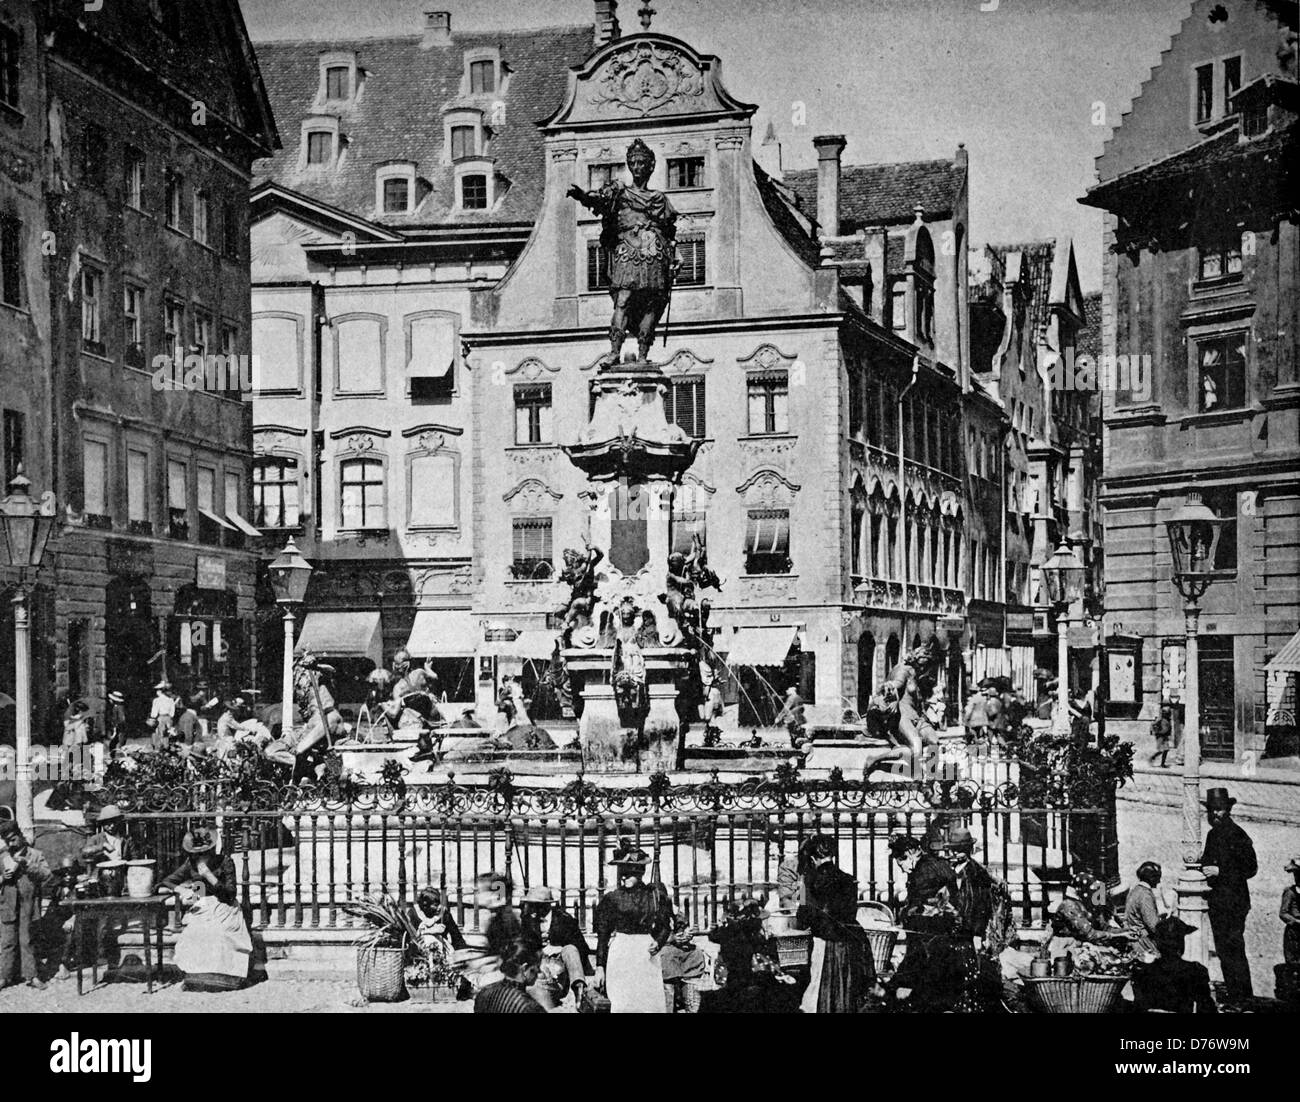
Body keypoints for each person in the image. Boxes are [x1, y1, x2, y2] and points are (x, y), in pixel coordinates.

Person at [566, 138, 678, 365]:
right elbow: (599, 201)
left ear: (651, 166)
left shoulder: (659, 199)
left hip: (654, 251)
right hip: (627, 249)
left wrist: (678, 255)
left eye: (642, 163)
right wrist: (583, 197)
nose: (637, 167)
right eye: (633, 163)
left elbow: (670, 233)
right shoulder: (620, 192)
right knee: (623, 300)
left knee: (652, 303)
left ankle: (644, 355)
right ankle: (615, 351)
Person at [158, 828, 251, 991]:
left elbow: (230, 893)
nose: (201, 857)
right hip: (203, 906)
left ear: (212, 850)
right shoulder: (191, 863)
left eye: (205, 853)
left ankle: (225, 978)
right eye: (197, 854)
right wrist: (181, 889)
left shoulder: (225, 861)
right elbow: (167, 881)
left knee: (218, 934)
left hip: (224, 906)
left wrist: (209, 876)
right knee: (193, 934)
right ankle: (196, 978)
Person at [796, 834, 875, 1013]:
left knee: (820, 991)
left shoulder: (808, 881)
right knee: (845, 991)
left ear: (813, 858)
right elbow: (849, 912)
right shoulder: (848, 879)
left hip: (824, 943)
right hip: (849, 943)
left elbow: (803, 917)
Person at [592, 842, 673, 1013]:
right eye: (622, 872)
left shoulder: (655, 896)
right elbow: (603, 933)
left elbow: (665, 926)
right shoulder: (613, 898)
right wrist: (600, 966)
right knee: (622, 1001)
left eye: (629, 873)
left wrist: (658, 943)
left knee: (648, 1003)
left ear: (640, 872)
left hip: (646, 955)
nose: (624, 877)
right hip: (621, 952)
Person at [1199, 787, 1257, 1003]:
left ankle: (1243, 998)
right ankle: (1235, 997)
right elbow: (1206, 859)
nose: (1215, 814)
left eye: (1220, 810)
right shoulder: (1212, 834)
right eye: (1212, 810)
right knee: (1224, 952)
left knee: (1234, 950)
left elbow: (1250, 868)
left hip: (1234, 902)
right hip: (1218, 903)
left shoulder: (1238, 834)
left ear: (1228, 810)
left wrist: (1220, 871)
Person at [519, 885, 591, 1009]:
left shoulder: (565, 920)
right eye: (531, 905)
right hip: (538, 967)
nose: (532, 909)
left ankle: (579, 990)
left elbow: (582, 947)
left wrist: (559, 948)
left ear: (547, 905)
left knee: (571, 949)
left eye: (536, 905)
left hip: (560, 967)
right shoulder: (527, 920)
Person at [0, 821, 51, 990]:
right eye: (7, 841)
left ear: (20, 836)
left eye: (13, 839)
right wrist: (3, 878)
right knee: (8, 941)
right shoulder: (2, 856)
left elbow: (46, 874)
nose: (11, 844)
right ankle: (5, 977)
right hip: (8, 904)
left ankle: (32, 976)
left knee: (27, 939)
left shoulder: (35, 855)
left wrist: (26, 864)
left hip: (28, 905)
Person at [1132, 916, 1217, 1014]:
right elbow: (1206, 1008)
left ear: (1158, 943)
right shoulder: (1194, 971)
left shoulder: (1143, 971)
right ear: (1181, 944)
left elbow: (1138, 1007)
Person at [1049, 870, 1131, 957]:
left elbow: (1103, 926)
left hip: (1084, 945)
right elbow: (1090, 934)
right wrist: (1120, 934)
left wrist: (1126, 931)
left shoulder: (1089, 903)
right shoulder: (1069, 905)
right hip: (1066, 949)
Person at [473, 938, 546, 1014]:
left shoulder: (483, 993)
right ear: (524, 969)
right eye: (537, 966)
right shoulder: (529, 1007)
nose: (539, 971)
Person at [659, 915, 708, 1013]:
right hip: (660, 950)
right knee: (668, 991)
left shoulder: (667, 908)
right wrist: (671, 938)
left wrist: (684, 934)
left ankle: (689, 1000)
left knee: (695, 953)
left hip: (675, 950)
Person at [1123, 861, 1165, 961]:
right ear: (1151, 878)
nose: (1159, 881)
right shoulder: (1145, 895)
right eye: (1158, 877)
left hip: (1135, 941)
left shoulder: (1136, 890)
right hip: (1144, 944)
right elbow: (1154, 926)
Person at [406, 886, 466, 955]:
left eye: (439, 903)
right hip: (420, 954)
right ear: (425, 905)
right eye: (435, 905)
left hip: (442, 952)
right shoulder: (413, 913)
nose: (439, 907)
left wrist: (461, 953)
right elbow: (409, 938)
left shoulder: (444, 914)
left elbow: (456, 937)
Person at [1282, 857, 1300, 964]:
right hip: (1294, 933)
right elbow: (1283, 913)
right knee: (1294, 965)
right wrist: (1296, 921)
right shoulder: (1290, 892)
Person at [149, 680, 176, 750]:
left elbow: (154, 714)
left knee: (160, 735)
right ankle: (167, 748)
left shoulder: (156, 700)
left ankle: (160, 749)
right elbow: (172, 714)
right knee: (168, 735)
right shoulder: (171, 700)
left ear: (160, 691)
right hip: (169, 719)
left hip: (160, 718)